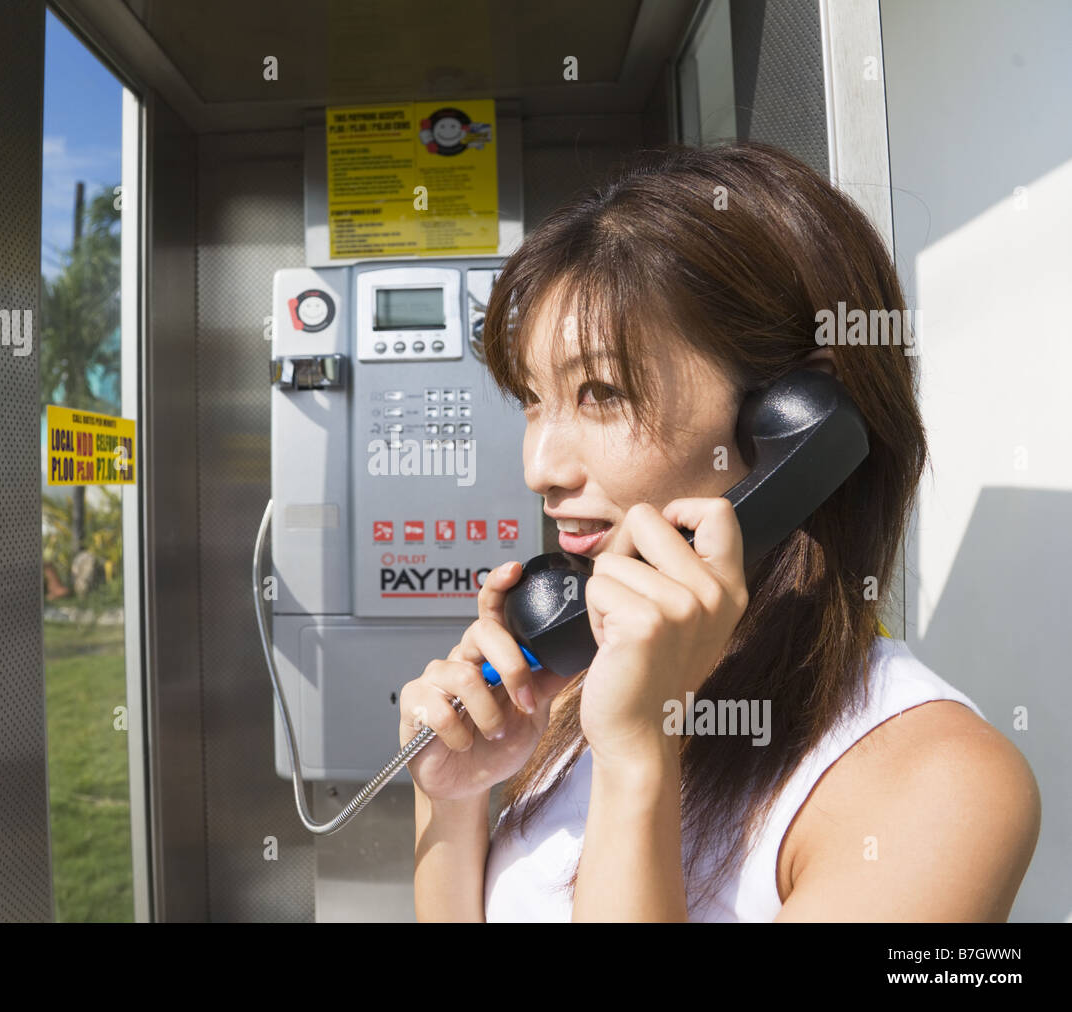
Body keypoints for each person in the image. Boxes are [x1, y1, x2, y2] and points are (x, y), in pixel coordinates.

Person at [398, 141, 1040, 922]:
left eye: (601, 392)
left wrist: (640, 762)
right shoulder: (575, 696)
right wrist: (457, 799)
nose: (541, 468)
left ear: (799, 420)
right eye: (533, 399)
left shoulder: (945, 783)